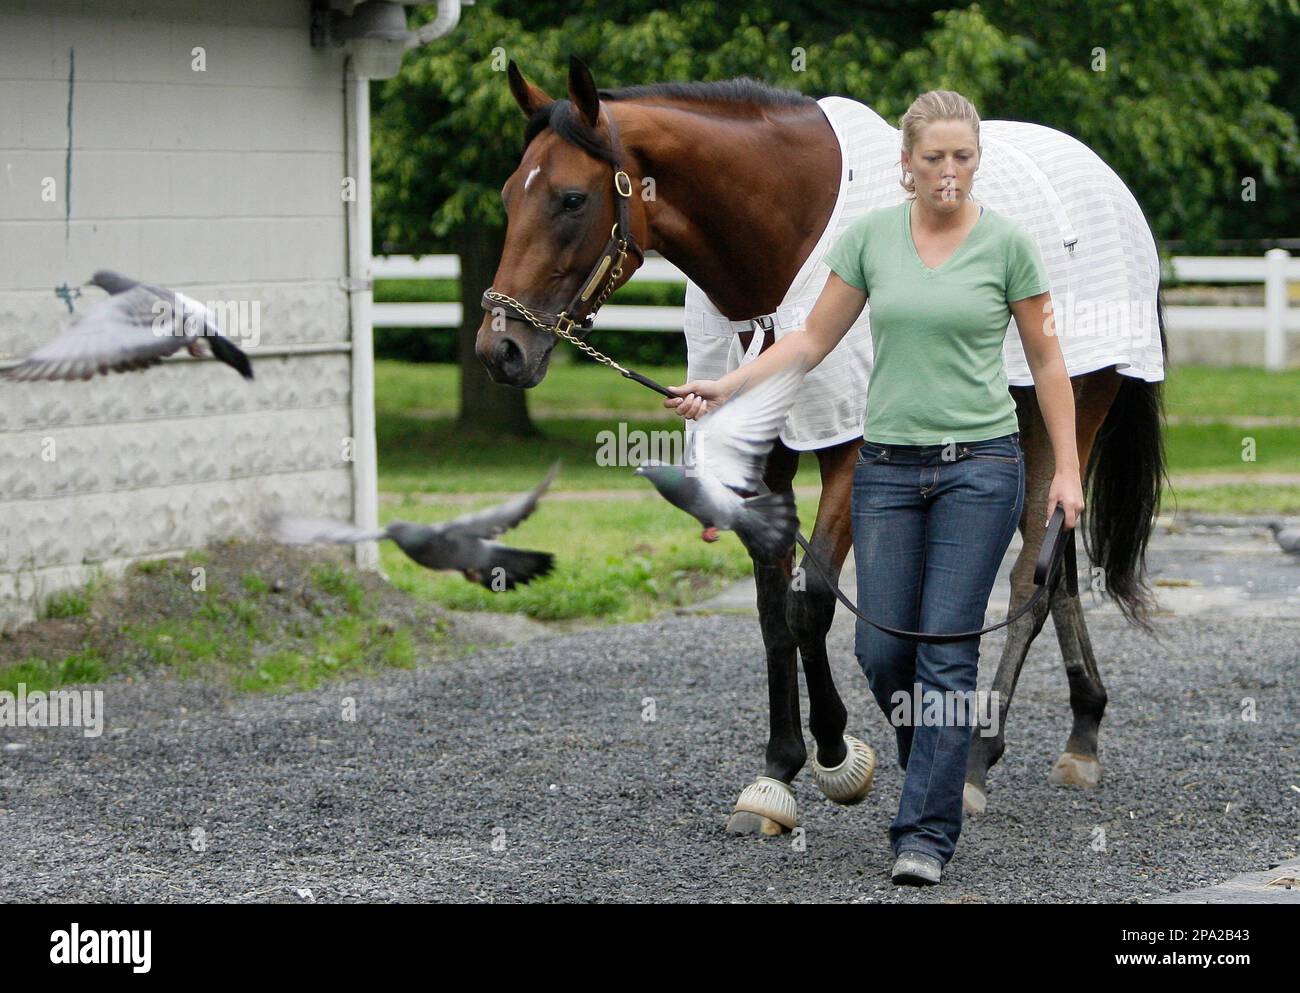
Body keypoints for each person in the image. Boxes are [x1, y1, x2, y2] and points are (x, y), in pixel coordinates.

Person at [664, 90, 1084, 886]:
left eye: (963, 157)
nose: (950, 172)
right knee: (882, 648)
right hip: (889, 471)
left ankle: (923, 832)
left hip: (981, 468)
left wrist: (1064, 468)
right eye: (935, 158)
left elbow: (1050, 362)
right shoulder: (868, 241)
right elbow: (810, 339)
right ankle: (931, 757)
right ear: (906, 165)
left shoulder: (1007, 248)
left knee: (947, 648)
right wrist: (723, 389)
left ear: (976, 162)